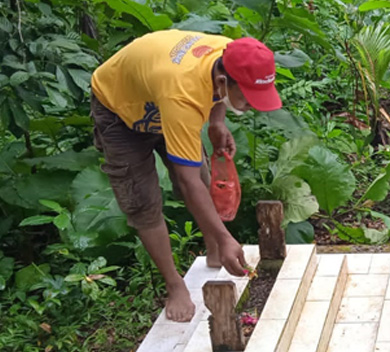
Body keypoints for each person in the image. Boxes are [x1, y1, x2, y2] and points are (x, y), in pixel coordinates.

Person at [91, 30, 283, 322]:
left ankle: (214, 250)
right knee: (143, 201)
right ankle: (175, 285)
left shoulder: (230, 54)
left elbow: (216, 94)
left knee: (204, 178)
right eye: (247, 99)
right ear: (223, 82)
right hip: (121, 109)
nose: (253, 106)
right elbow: (187, 181)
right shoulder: (182, 95)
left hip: (160, 91)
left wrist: (217, 122)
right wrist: (226, 236)